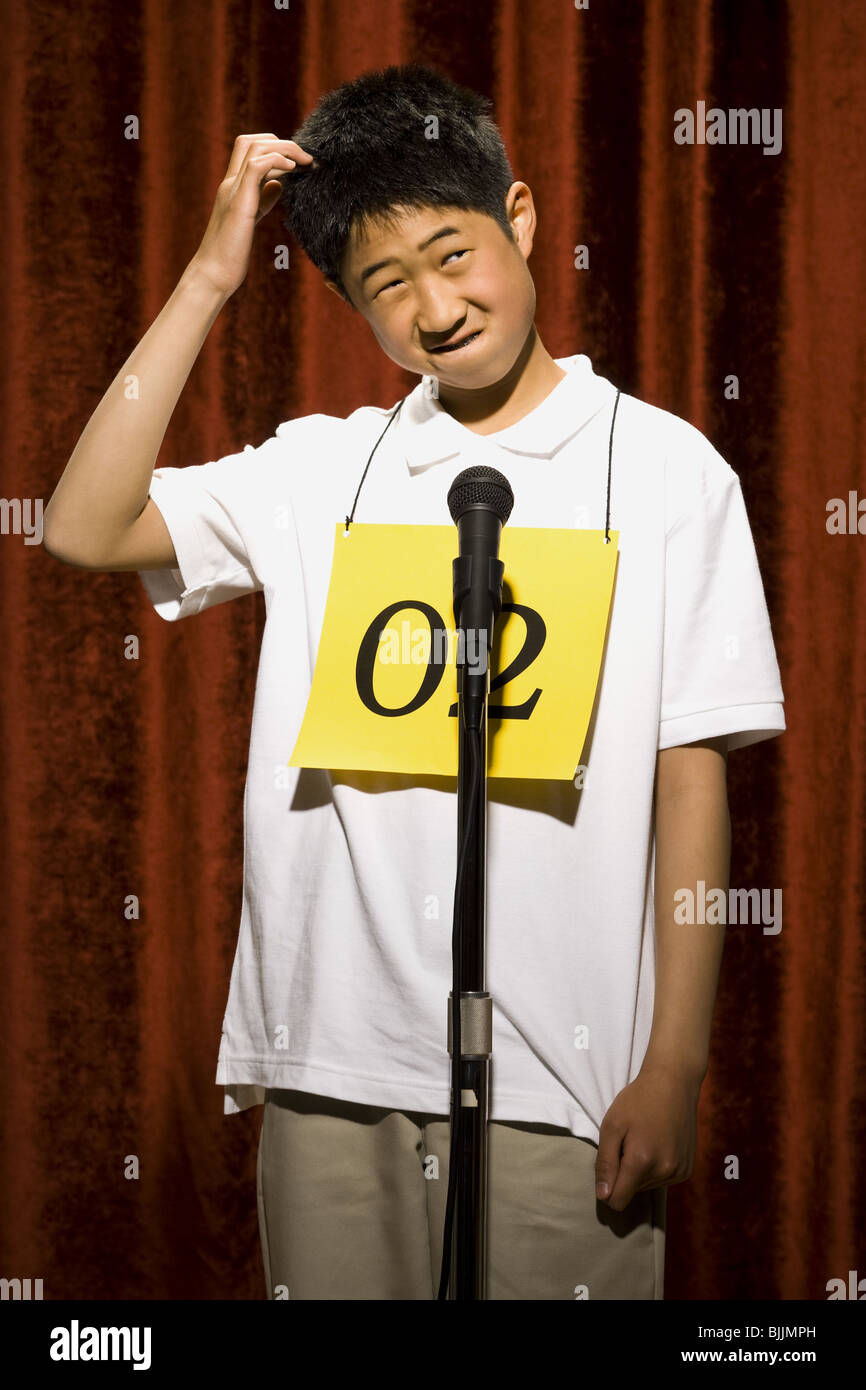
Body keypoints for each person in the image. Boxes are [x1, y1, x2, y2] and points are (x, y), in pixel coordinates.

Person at [42, 62, 785, 1301]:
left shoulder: (668, 468)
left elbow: (688, 773)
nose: (434, 306)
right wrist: (209, 279)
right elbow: (81, 524)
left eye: (453, 254)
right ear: (351, 308)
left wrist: (676, 1064)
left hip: (565, 1077)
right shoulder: (317, 468)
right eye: (387, 285)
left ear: (523, 218)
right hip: (333, 1069)